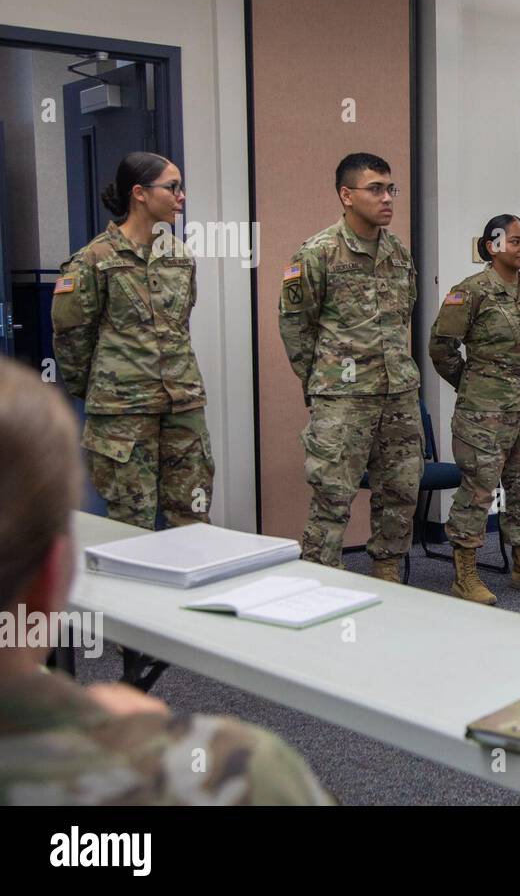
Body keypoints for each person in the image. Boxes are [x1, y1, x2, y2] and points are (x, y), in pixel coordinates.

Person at [0, 358, 333, 805]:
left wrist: (69, 714)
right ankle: (136, 639)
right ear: (53, 575)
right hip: (122, 399)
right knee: (130, 522)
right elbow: (73, 336)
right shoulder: (242, 773)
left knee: (186, 528)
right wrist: (113, 737)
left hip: (178, 395)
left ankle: (182, 633)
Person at [51, 152, 214, 530]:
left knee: (193, 518)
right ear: (139, 193)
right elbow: (72, 339)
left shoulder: (180, 257)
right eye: (172, 187)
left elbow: (180, 326)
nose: (181, 196)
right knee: (130, 524)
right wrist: (102, 390)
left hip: (182, 405)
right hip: (122, 413)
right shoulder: (91, 260)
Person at [279, 153, 421, 582]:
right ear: (346, 195)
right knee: (332, 495)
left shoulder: (397, 252)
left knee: (400, 491)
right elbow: (295, 326)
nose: (387, 198)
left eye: (390, 188)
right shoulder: (318, 252)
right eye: (375, 189)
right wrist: (322, 382)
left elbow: (404, 315)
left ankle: (388, 574)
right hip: (342, 399)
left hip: (398, 394)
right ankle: (321, 581)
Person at [429, 215, 520, 605]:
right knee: (478, 489)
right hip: (483, 413)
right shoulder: (469, 293)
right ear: (492, 246)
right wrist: (473, 384)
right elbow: (442, 349)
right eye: (514, 242)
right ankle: (465, 572)